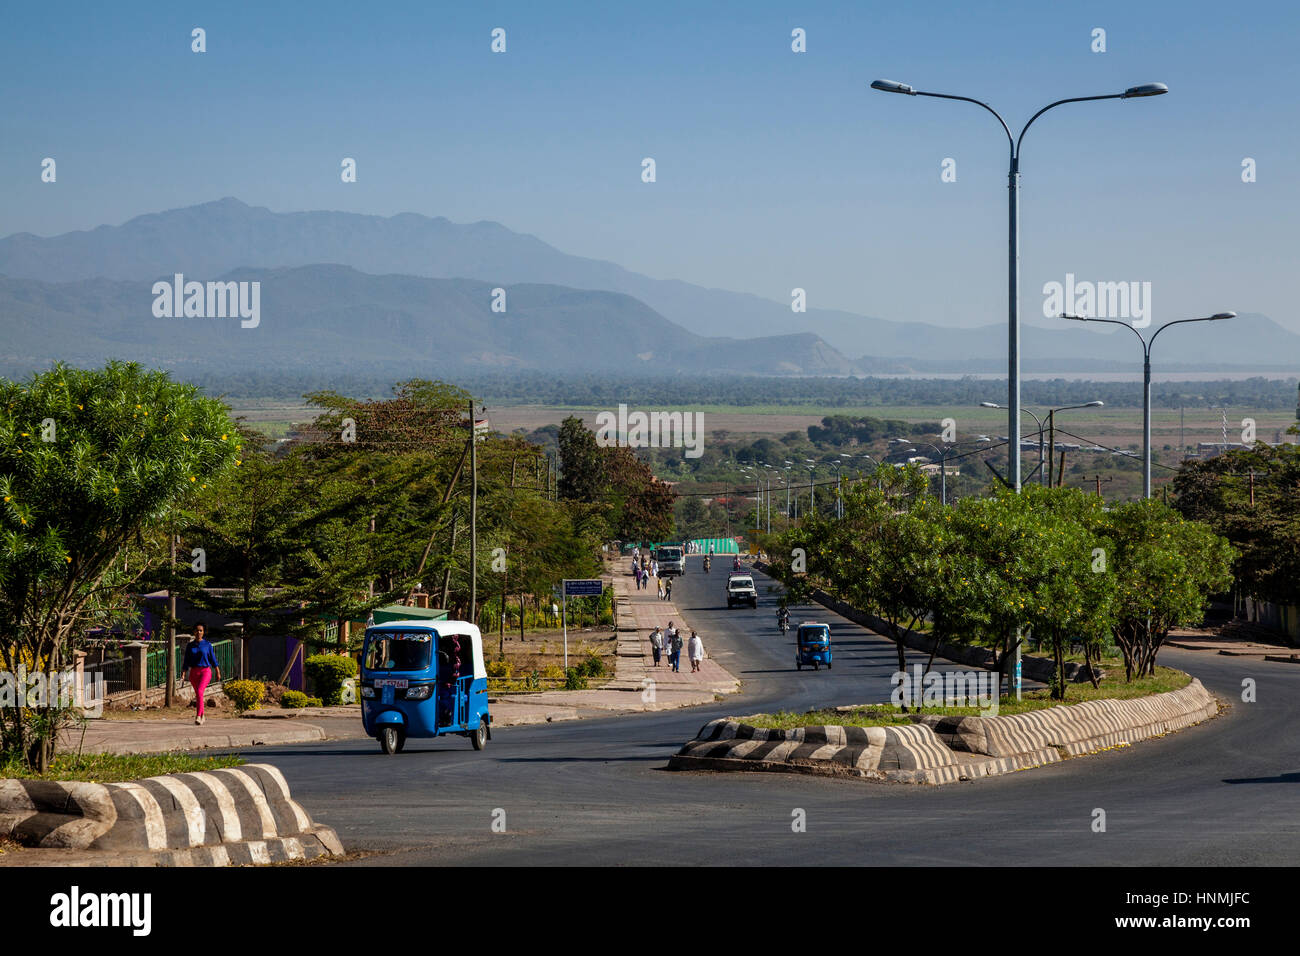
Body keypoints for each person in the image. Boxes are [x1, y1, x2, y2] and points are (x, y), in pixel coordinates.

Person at [181, 623, 222, 725]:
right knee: (199, 695)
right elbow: (186, 661)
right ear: (194, 632)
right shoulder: (190, 646)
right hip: (194, 673)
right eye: (197, 630)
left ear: (203, 632)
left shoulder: (207, 645)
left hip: (205, 671)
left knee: (199, 691)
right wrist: (183, 673)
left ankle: (198, 716)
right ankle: (203, 715)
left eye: (201, 630)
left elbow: (213, 659)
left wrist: (217, 671)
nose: (198, 632)